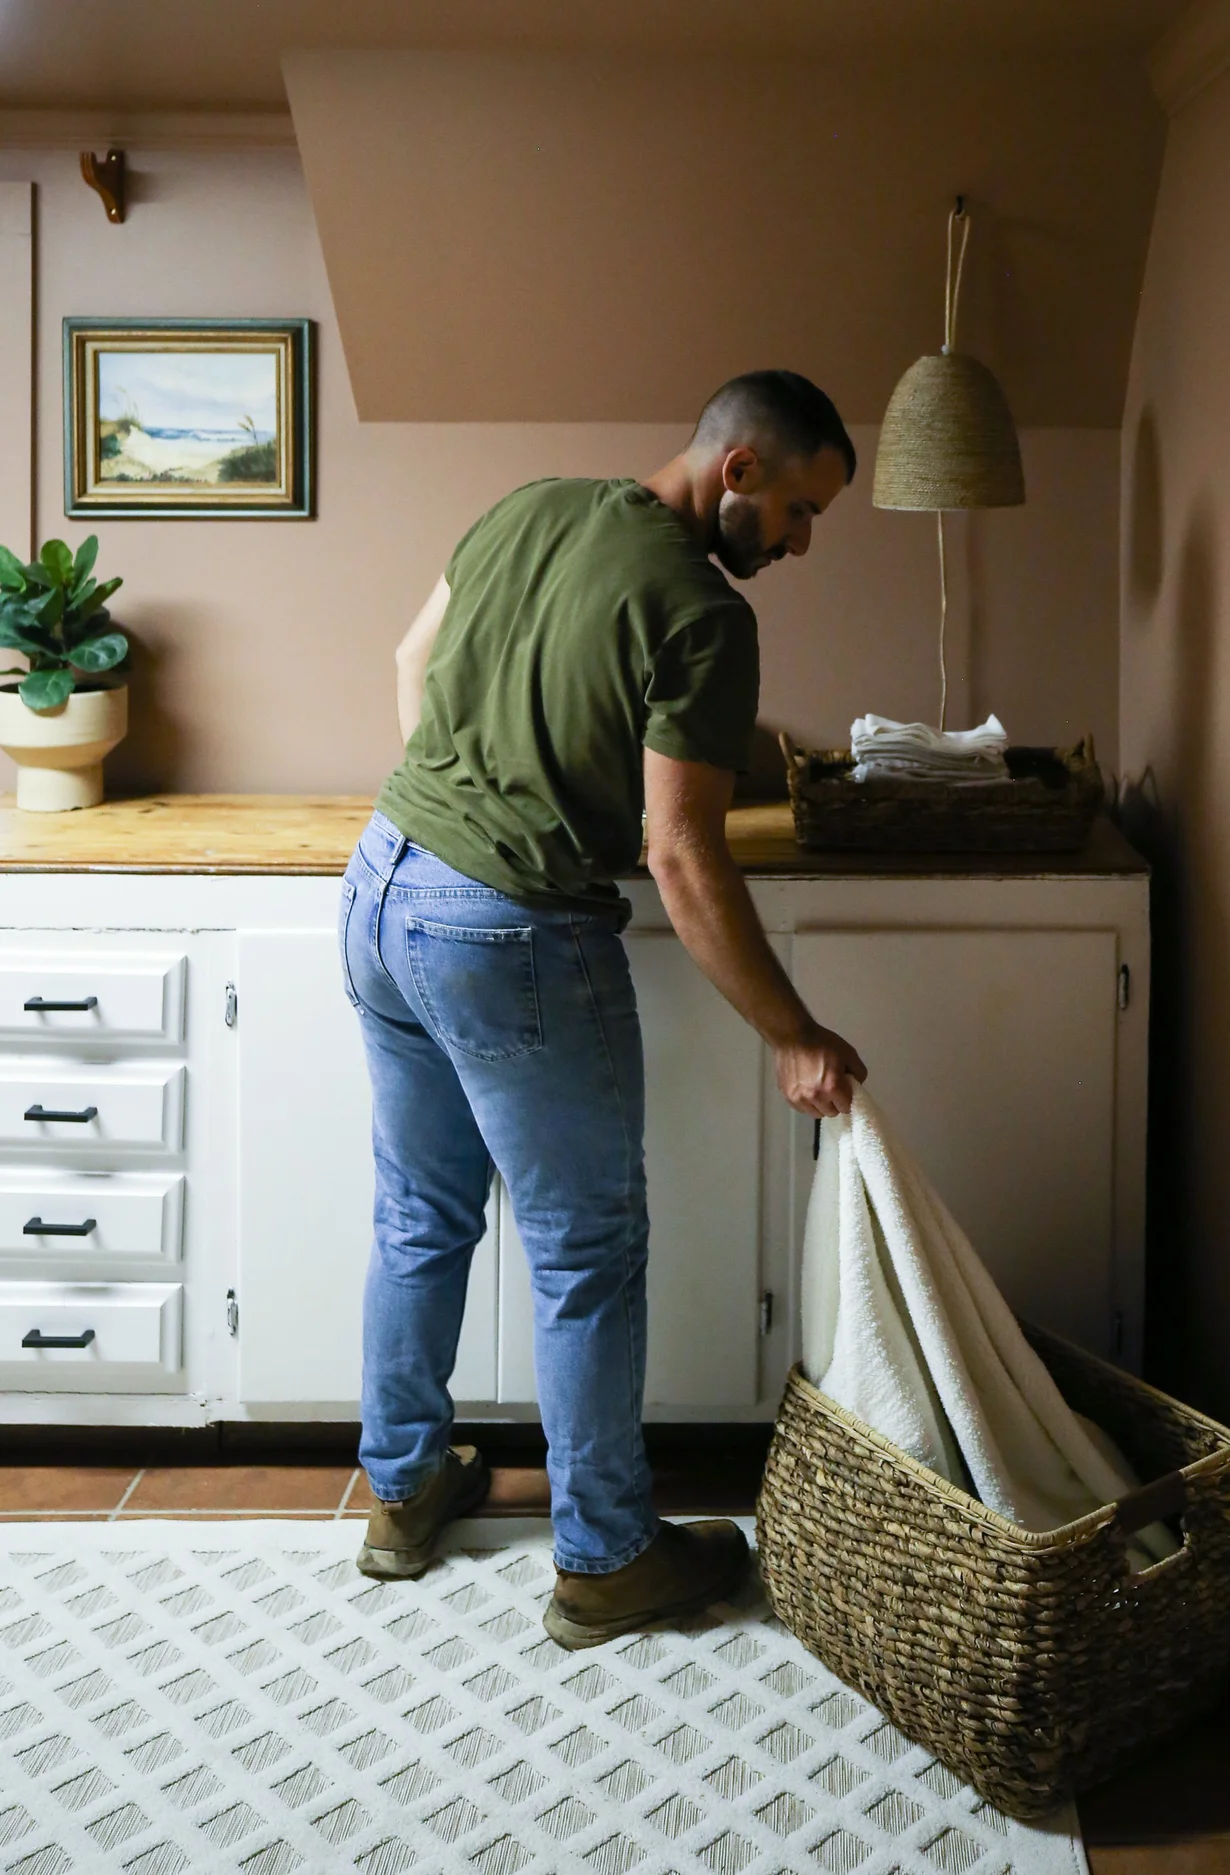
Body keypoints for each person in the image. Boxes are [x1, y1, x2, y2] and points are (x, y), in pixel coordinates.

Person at [339, 369, 867, 1648]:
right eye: (800, 509)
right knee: (585, 1253)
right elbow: (683, 854)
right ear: (738, 471)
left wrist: (469, 800)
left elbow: (412, 659)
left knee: (422, 1211)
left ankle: (403, 1494)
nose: (800, 543)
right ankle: (606, 1558)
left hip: (382, 882)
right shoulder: (701, 615)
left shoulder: (531, 507)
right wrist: (795, 1034)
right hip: (502, 929)